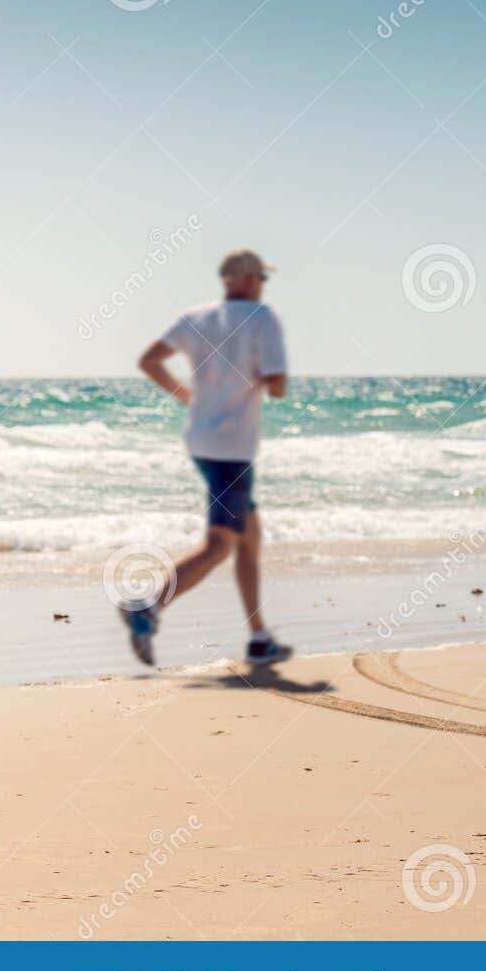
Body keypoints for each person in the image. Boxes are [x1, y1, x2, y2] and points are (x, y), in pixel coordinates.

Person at [122, 249, 292, 668]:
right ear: (248, 279)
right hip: (232, 449)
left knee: (250, 538)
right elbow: (278, 386)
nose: (263, 286)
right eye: (262, 279)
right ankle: (148, 606)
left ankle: (259, 638)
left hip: (201, 440)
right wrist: (263, 379)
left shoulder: (195, 317)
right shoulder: (262, 318)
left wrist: (189, 397)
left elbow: (149, 361)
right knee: (221, 544)